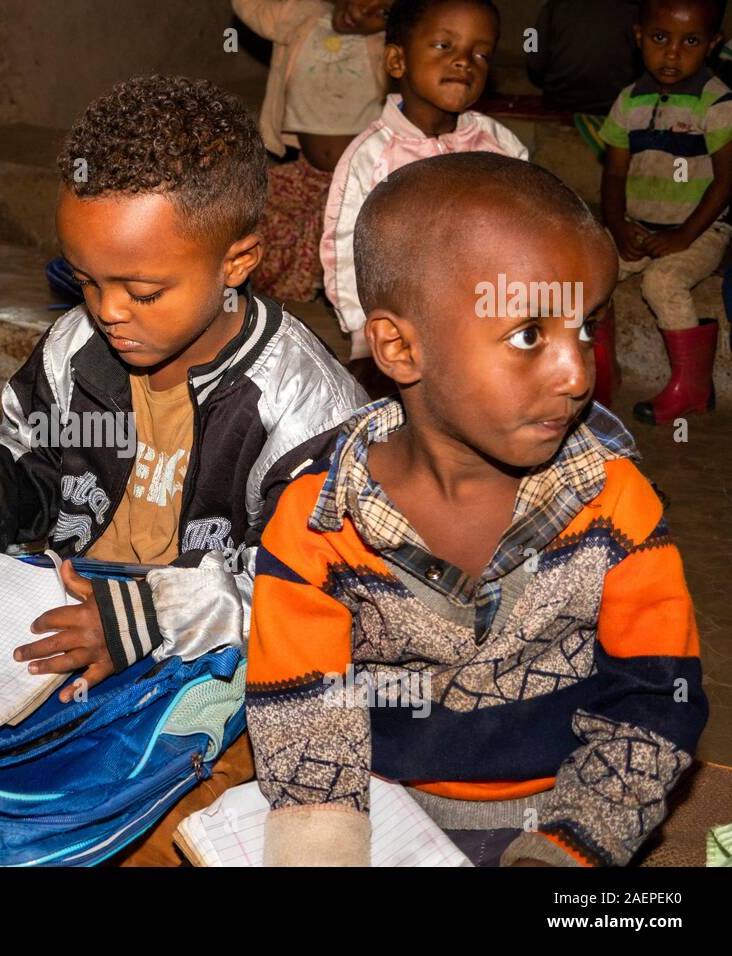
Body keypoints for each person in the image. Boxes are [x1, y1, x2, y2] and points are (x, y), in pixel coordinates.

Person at [0, 74, 365, 864]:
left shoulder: (301, 406)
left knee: (137, 832)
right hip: (64, 614)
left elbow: (320, 592)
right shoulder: (78, 347)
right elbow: (32, 458)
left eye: (142, 289)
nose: (108, 310)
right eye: (84, 280)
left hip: (207, 650)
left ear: (239, 260)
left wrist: (142, 620)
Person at [248, 152, 707, 867]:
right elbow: (305, 719)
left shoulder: (617, 507)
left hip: (568, 816)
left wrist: (563, 848)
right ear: (400, 348)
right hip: (376, 814)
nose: (577, 371)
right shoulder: (320, 524)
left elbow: (656, 702)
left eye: (585, 328)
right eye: (531, 335)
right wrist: (323, 853)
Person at [321, 0, 527, 380]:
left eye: (481, 53)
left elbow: (530, 228)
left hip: (488, 313)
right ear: (397, 61)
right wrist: (363, 336)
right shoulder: (370, 157)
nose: (465, 61)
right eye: (445, 46)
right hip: (405, 322)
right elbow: (343, 246)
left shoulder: (500, 146)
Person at [601, 0, 732, 425]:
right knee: (590, 266)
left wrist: (684, 237)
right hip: (638, 226)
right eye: (660, 38)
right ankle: (599, 371)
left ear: (713, 44)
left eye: (690, 41)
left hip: (702, 230)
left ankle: (692, 388)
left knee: (662, 281)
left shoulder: (718, 104)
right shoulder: (628, 100)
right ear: (639, 36)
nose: (672, 53)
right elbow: (615, 173)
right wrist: (617, 224)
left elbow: (726, 180)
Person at [233, 0, 394, 303]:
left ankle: (339, 292)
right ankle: (279, 288)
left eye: (383, 12)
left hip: (359, 179)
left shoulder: (386, 47)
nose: (363, 12)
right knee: (251, 207)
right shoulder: (301, 15)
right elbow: (249, 7)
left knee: (341, 224)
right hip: (307, 170)